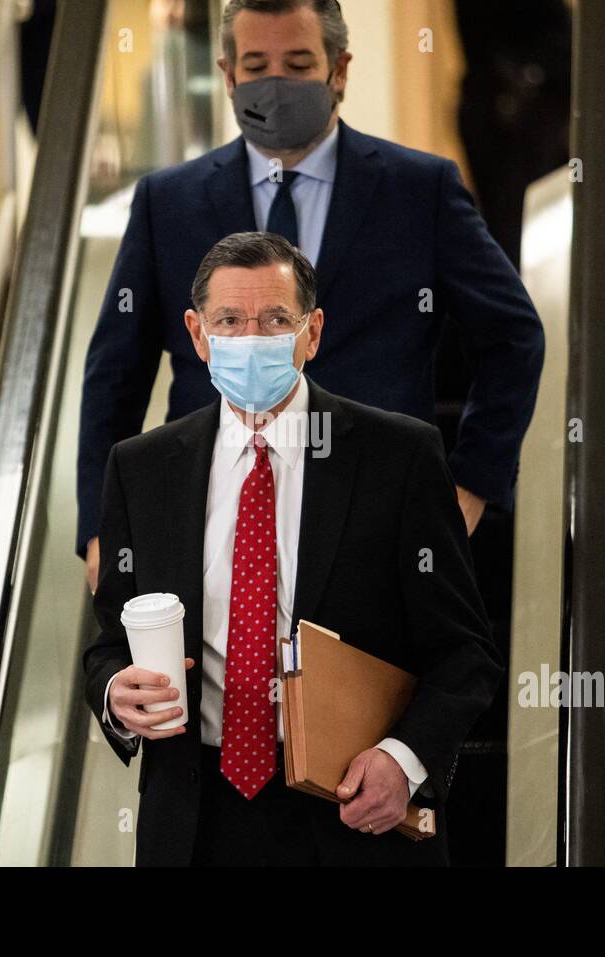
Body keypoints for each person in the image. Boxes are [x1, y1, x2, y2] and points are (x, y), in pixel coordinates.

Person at [76, 0, 545, 594]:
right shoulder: (167, 203)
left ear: (339, 70)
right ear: (227, 75)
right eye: (255, 65)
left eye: (298, 64)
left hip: (378, 529)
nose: (275, 85)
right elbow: (114, 372)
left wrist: (472, 485)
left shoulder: (419, 190)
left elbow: (513, 335)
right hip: (205, 519)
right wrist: (100, 528)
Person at [82, 233, 502, 866]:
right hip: (197, 820)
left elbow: (465, 652)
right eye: (230, 320)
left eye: (276, 319)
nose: (252, 337)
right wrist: (116, 690)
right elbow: (109, 639)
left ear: (313, 332)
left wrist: (404, 759)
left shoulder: (398, 457)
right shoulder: (142, 469)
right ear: (198, 335)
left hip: (352, 810)